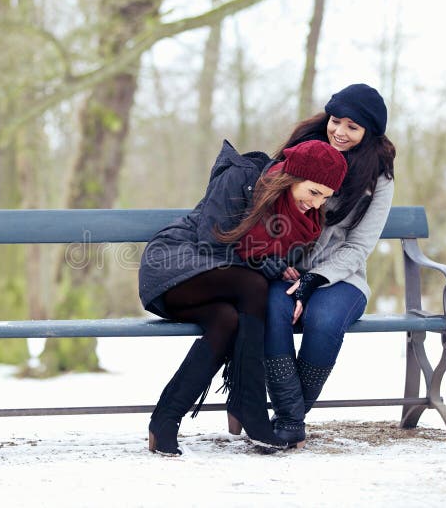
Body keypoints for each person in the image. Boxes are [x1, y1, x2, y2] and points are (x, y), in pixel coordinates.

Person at [138, 139, 348, 456]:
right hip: (175, 265)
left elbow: (266, 262)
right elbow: (210, 240)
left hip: (217, 287)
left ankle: (165, 420)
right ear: (292, 176)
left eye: (325, 197)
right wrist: (264, 265)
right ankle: (250, 407)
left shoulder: (300, 218)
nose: (317, 204)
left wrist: (278, 268)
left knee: (228, 321)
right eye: (314, 192)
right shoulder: (241, 177)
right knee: (253, 285)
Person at [263, 83, 396, 447]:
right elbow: (266, 210)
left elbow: (359, 246)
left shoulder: (378, 176)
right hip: (286, 269)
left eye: (353, 127)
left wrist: (314, 280)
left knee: (323, 320)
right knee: (272, 309)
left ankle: (289, 419)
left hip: (341, 277)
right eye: (336, 121)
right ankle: (289, 420)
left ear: (369, 132)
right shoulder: (301, 149)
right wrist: (275, 262)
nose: (340, 131)